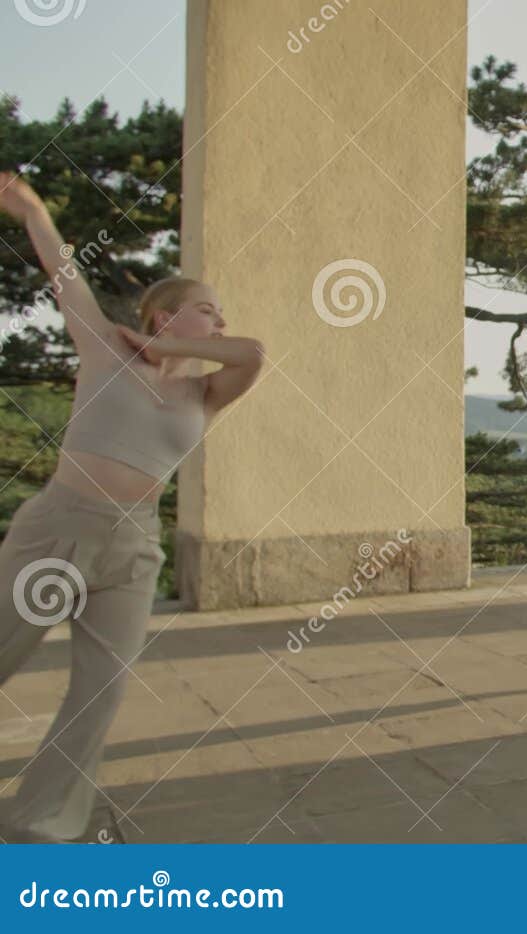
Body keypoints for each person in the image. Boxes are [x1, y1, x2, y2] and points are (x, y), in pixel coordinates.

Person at [0, 170, 266, 842]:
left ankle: (40, 824)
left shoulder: (205, 394)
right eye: (207, 308)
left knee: (101, 692)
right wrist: (32, 209)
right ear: (163, 310)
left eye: (218, 314)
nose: (220, 321)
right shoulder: (103, 350)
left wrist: (171, 345)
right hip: (60, 529)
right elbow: (64, 275)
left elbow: (252, 354)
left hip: (133, 548)